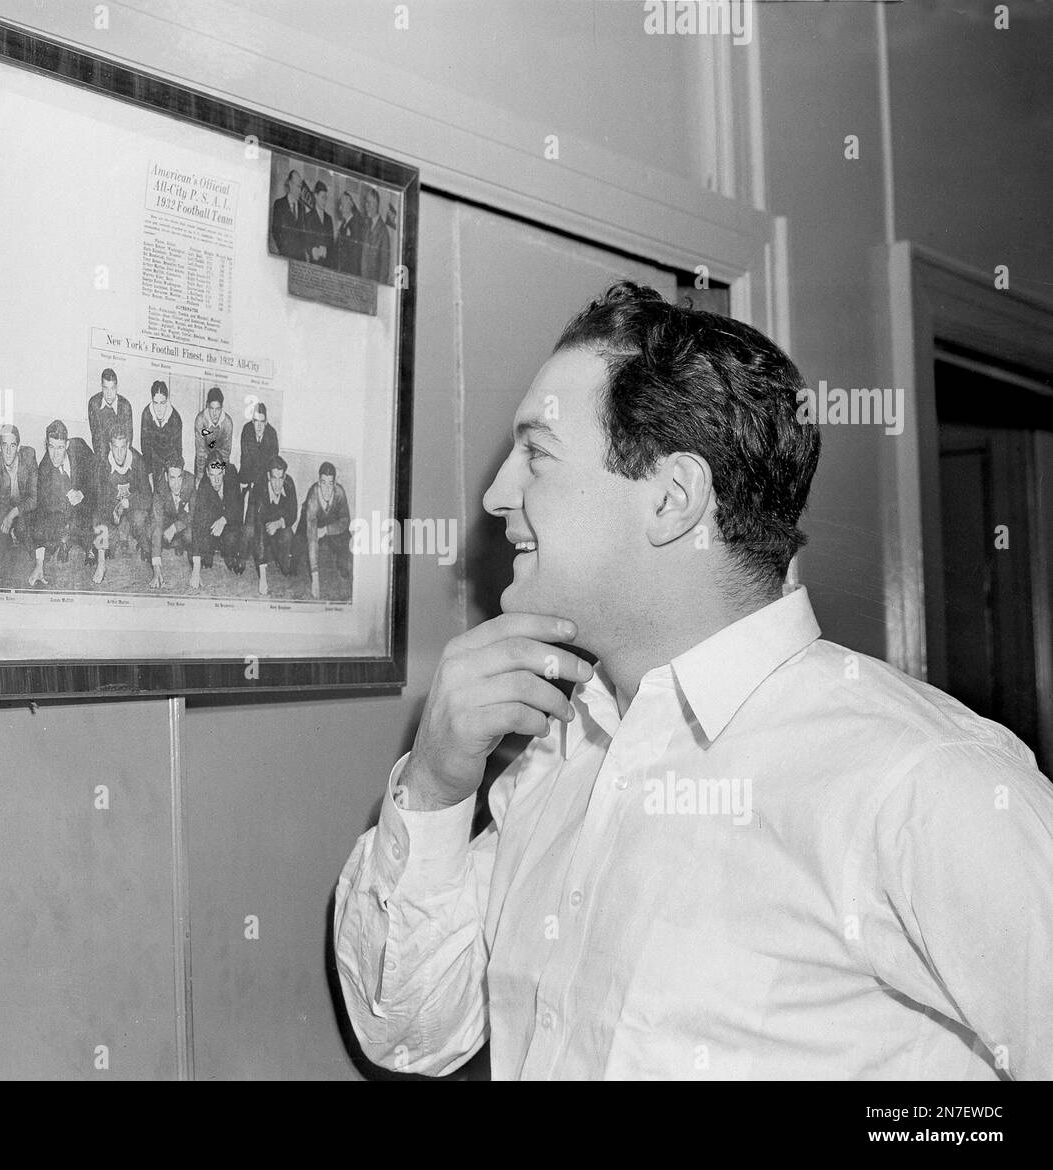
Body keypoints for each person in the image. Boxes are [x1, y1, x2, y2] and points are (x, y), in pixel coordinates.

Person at [333, 280, 1053, 1080]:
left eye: (537, 452)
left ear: (673, 499)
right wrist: (434, 785)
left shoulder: (929, 780)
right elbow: (412, 1034)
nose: (496, 497)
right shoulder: (560, 755)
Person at [31, 419, 96, 587]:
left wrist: (83, 493)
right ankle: (66, 535)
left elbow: (98, 478)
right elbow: (41, 515)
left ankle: (88, 543)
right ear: (47, 444)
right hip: (63, 510)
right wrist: (39, 564)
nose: (55, 455)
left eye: (60, 447)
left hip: (87, 500)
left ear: (67, 445)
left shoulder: (80, 448)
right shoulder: (44, 470)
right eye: (51, 447)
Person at [91, 424, 151, 586]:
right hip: (113, 510)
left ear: (128, 445)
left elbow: (147, 498)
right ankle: (101, 563)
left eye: (123, 448)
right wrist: (114, 511)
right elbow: (100, 502)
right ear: (110, 446)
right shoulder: (103, 465)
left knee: (140, 519)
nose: (119, 453)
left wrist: (127, 503)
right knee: (98, 520)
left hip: (131, 508)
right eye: (115, 448)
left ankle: (141, 541)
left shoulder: (138, 461)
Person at [0, 424, 37, 586]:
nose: (8, 451)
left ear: (18, 447)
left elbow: (34, 499)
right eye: (4, 446)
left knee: (27, 549)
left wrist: (13, 514)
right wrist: (6, 518)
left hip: (25, 510)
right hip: (5, 513)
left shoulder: (29, 456)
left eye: (12, 446)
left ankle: (16, 537)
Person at [190, 450, 245, 585]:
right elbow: (197, 524)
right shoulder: (203, 486)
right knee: (206, 560)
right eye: (212, 475)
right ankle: (209, 551)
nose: (216, 480)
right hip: (212, 523)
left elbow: (238, 505)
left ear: (224, 471)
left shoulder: (232, 472)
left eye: (219, 474)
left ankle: (230, 554)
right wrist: (196, 572)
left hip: (229, 521)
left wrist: (224, 519)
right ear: (207, 473)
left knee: (231, 539)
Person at [302, 461, 352, 601]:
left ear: (335, 484)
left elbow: (345, 521)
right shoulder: (313, 495)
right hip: (315, 522)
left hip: (331, 525)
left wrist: (326, 530)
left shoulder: (340, 492)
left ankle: (342, 568)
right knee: (300, 549)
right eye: (323, 483)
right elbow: (312, 536)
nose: (327, 488)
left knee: (345, 543)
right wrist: (315, 578)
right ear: (318, 482)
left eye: (330, 483)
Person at [250, 454, 298, 597]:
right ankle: (265, 563)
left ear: (284, 477)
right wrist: (263, 578)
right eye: (274, 478)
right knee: (258, 538)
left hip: (279, 526)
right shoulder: (259, 487)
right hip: (263, 528)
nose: (277, 484)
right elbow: (258, 525)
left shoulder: (289, 484)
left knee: (288, 568)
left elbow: (293, 513)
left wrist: (278, 523)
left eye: (280, 478)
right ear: (268, 476)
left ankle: (282, 560)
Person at [149, 457, 194, 590]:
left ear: (183, 475)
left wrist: (175, 527)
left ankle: (179, 544)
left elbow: (193, 513)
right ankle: (171, 545)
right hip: (165, 522)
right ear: (166, 476)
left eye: (179, 477)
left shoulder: (190, 482)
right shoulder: (160, 489)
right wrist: (156, 570)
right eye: (172, 478)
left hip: (182, 521)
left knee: (190, 535)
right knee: (150, 535)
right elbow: (156, 525)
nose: (176, 484)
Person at [238, 402, 280, 542]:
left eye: (262, 422)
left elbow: (271, 466)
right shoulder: (246, 430)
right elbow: (245, 461)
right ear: (252, 421)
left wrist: (258, 482)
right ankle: (242, 551)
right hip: (249, 478)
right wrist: (248, 484)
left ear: (266, 422)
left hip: (264, 481)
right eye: (256, 421)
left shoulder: (272, 435)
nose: (259, 426)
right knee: (247, 515)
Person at [139, 379, 184, 485]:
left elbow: (177, 451)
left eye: (162, 403)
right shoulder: (146, 414)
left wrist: (170, 475)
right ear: (152, 401)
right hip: (153, 461)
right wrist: (149, 474)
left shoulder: (175, 418)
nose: (159, 408)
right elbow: (145, 447)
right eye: (156, 403)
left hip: (169, 460)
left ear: (167, 401)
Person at [87, 367, 134, 466]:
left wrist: (120, 460)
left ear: (117, 387)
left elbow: (128, 439)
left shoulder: (125, 406)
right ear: (101, 387)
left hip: (121, 453)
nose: (109, 393)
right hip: (102, 456)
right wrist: (107, 465)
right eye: (105, 388)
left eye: (112, 388)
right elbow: (97, 438)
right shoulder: (94, 403)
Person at [192, 386, 234, 480]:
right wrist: (199, 477)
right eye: (212, 408)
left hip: (220, 460)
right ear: (207, 406)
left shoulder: (227, 423)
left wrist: (221, 476)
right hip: (203, 460)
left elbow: (226, 453)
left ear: (222, 408)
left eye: (218, 409)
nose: (214, 413)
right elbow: (201, 452)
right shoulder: (200, 420)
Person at [270, 167, 307, 260]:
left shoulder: (302, 207)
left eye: (301, 187)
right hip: (285, 256)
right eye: (298, 186)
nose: (300, 190)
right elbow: (275, 230)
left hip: (300, 258)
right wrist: (283, 250)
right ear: (290, 184)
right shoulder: (279, 204)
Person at [359, 186, 392, 285]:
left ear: (376, 205)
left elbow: (384, 268)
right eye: (366, 202)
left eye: (369, 203)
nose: (366, 206)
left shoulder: (383, 232)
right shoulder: (366, 226)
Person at [304, 181, 336, 266]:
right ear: (315, 196)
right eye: (322, 197)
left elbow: (332, 243)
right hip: (314, 264)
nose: (324, 201)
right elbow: (306, 240)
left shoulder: (329, 219)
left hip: (328, 264)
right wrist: (313, 250)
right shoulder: (307, 217)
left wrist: (326, 251)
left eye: (326, 198)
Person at [332, 190, 363, 277]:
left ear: (350, 204)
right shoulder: (343, 224)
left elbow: (354, 257)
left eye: (342, 204)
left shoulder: (356, 224)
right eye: (340, 205)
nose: (340, 208)